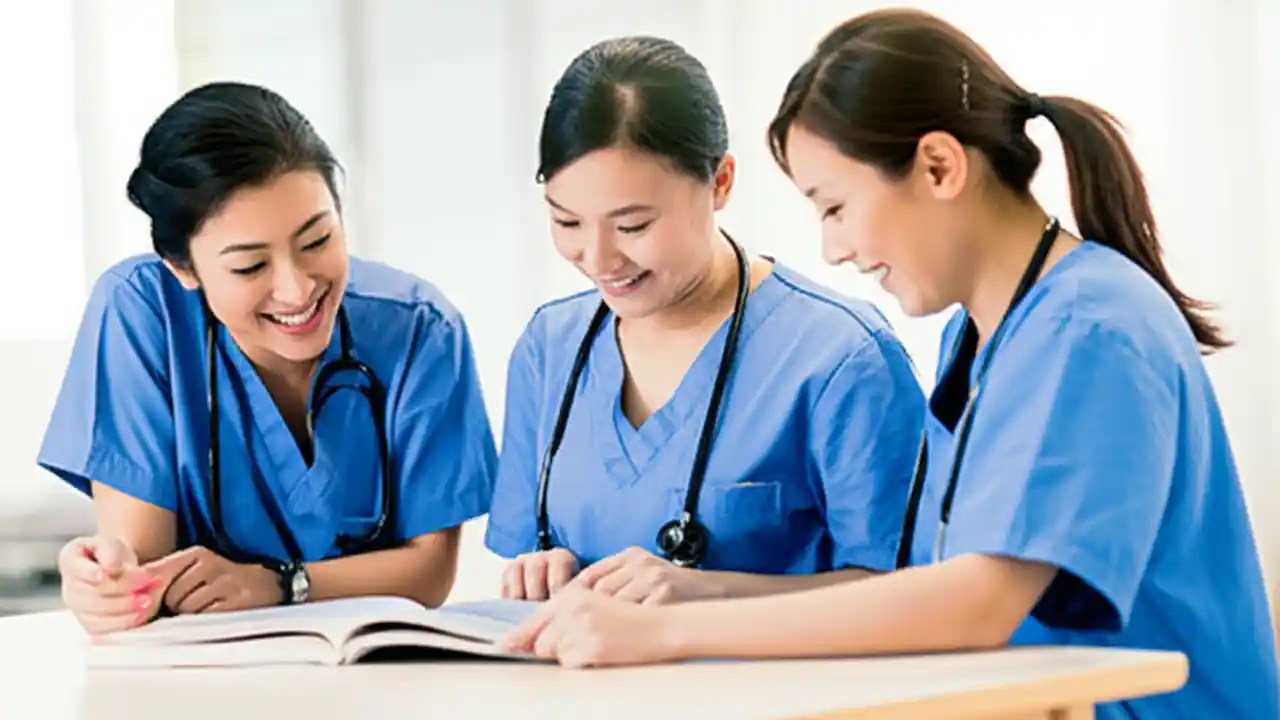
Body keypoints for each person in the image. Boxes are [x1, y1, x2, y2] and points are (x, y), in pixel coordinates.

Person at [500, 10, 1279, 718]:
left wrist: (665, 635)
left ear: (939, 167)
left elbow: (976, 605)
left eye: (835, 206)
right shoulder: (982, 336)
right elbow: (931, 589)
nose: (834, 248)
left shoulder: (1088, 329)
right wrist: (690, 592)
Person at [42, 82, 497, 635]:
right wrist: (106, 583)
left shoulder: (419, 328)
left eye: (317, 240)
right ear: (183, 269)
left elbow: (428, 573)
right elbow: (144, 571)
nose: (297, 288)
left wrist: (281, 585)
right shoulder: (141, 313)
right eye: (250, 267)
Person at [485, 36, 925, 605]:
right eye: (567, 223)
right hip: (580, 687)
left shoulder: (841, 358)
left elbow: (907, 597)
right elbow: (527, 548)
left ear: (720, 182)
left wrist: (707, 590)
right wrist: (538, 573)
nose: (598, 260)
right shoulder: (551, 349)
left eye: (633, 226)